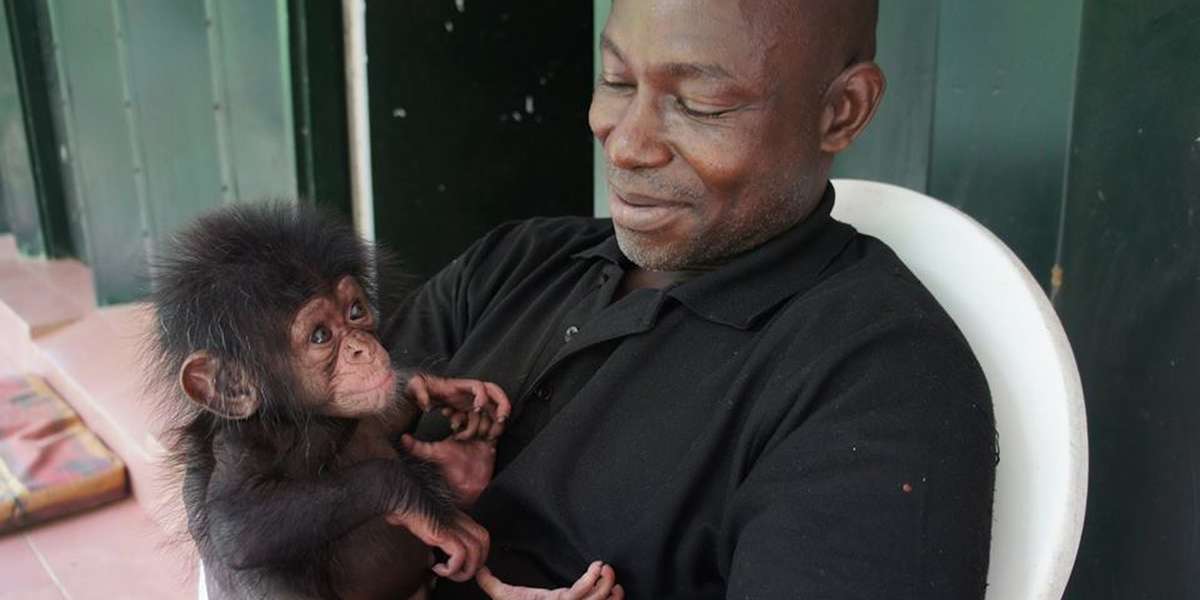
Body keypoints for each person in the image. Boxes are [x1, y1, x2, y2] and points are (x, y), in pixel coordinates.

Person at [385, 0, 996, 597]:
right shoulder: (514, 264)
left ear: (841, 111)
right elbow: (300, 466)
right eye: (617, 81)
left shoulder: (879, 377)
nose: (626, 145)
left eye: (701, 106)